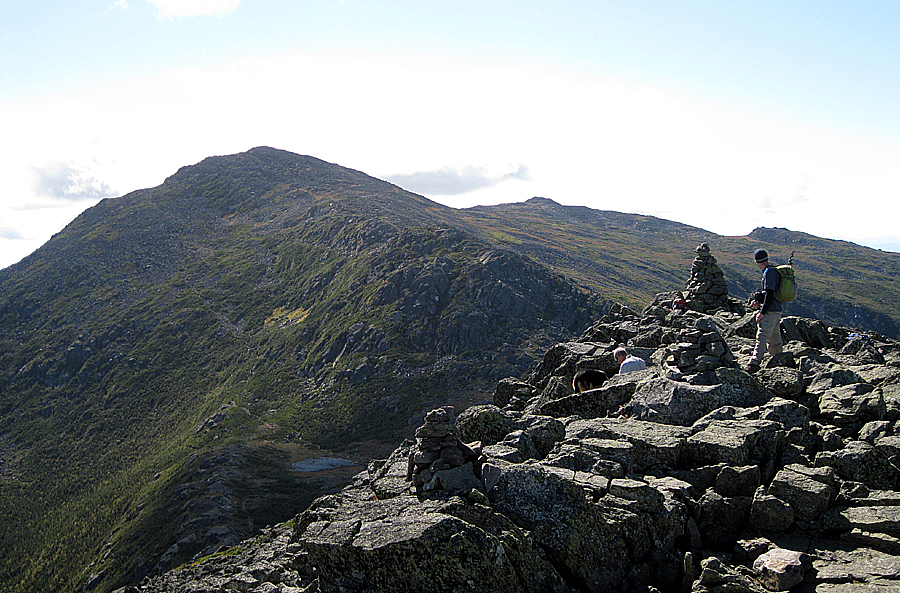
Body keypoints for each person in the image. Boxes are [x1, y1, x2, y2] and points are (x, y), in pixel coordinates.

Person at [746, 248, 784, 372]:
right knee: (774, 338)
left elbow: (770, 294)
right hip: (777, 309)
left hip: (771, 311)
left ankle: (754, 363)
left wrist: (762, 312)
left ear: (757, 262)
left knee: (762, 336)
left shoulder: (768, 273)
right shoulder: (774, 271)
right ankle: (778, 360)